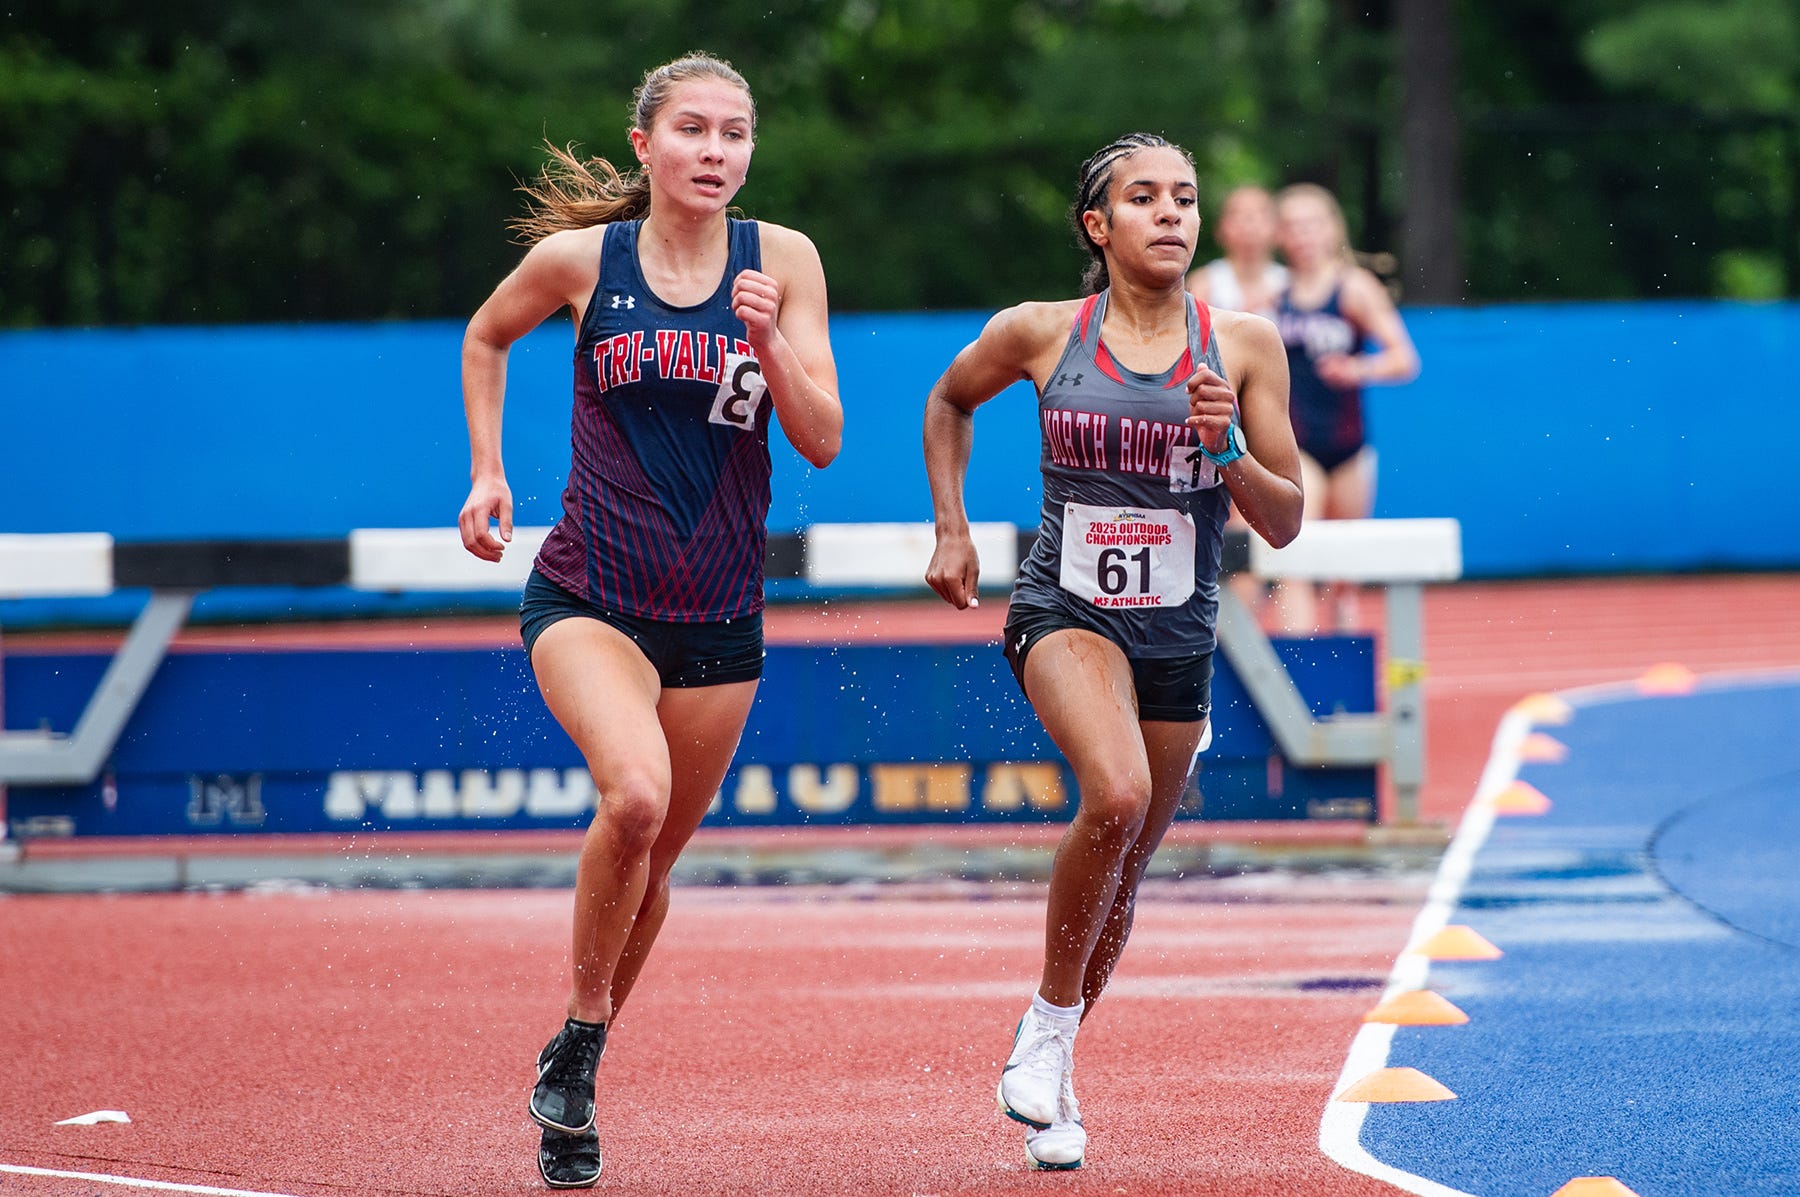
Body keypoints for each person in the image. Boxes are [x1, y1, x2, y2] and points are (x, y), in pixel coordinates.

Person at [457, 52, 842, 1190]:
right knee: (635, 794)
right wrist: (487, 473)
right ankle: (578, 1039)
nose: (715, 151)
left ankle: (577, 1069)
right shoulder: (585, 262)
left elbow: (820, 438)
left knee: (655, 856)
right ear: (646, 144)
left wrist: (769, 342)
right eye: (692, 130)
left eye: (734, 134)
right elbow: (486, 337)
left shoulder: (787, 262)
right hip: (590, 595)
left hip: (720, 614)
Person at [923, 133, 1303, 1171]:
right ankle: (1046, 1027)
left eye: (1185, 197)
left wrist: (1227, 453)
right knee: (1118, 794)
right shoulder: (1043, 332)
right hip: (1063, 609)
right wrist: (952, 526)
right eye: (1146, 198)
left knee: (1125, 870)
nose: (1172, 214)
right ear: (1101, 225)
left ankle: (1055, 1074)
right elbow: (950, 399)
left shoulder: (1249, 344)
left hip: (1178, 634)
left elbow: (1286, 522)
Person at [1270, 182, 1419, 631]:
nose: (1303, 235)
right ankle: (1294, 664)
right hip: (1299, 446)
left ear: (1333, 229)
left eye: (1312, 224)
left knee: (1344, 575)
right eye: (1293, 226)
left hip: (1349, 445)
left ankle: (1343, 667)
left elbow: (1404, 359)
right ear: (1281, 236)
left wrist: (1357, 369)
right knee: (1294, 559)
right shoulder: (1273, 296)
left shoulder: (1353, 288)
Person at [1184, 184, 1288, 318]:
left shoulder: (1290, 284)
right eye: (1237, 215)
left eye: (1260, 214)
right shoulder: (1202, 284)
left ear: (1277, 228)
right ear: (1220, 228)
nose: (1249, 225)